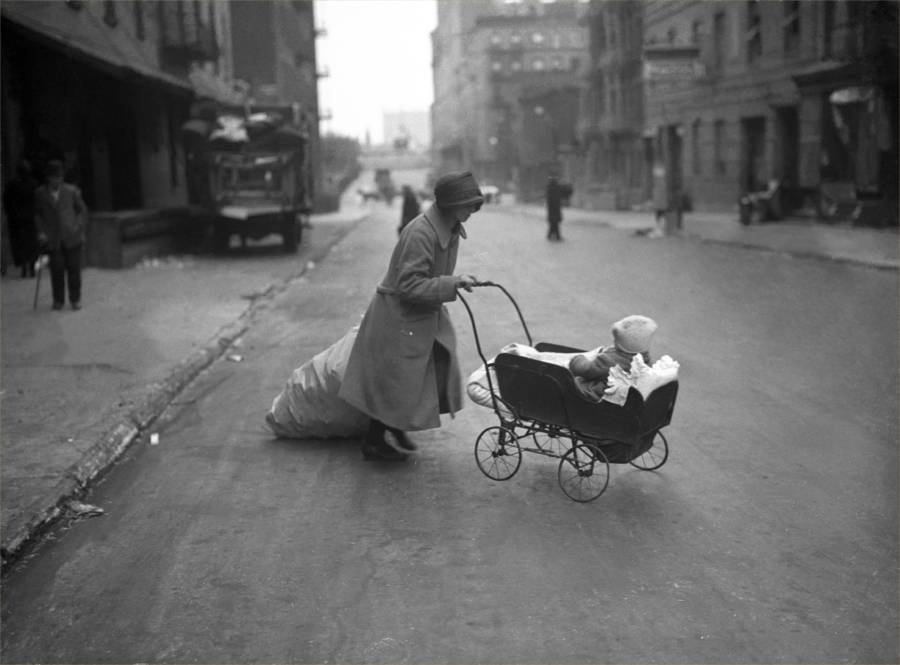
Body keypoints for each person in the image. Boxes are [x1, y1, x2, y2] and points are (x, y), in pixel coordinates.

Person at [339, 171, 484, 461]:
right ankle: (374, 442)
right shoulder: (421, 232)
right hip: (399, 317)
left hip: (419, 315)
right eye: (467, 205)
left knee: (416, 377)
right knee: (396, 381)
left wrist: (452, 281)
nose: (472, 211)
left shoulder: (449, 226)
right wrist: (452, 283)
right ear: (450, 204)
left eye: (474, 205)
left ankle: (396, 425)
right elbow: (408, 285)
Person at [34, 160, 88, 310]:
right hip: (53, 239)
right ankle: (58, 300)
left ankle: (75, 299)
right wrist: (40, 232)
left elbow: (82, 211)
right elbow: (37, 215)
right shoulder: (40, 193)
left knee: (74, 270)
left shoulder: (72, 191)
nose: (57, 180)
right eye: (53, 177)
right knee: (57, 270)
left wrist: (79, 227)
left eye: (59, 176)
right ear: (48, 178)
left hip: (72, 236)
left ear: (62, 177)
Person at [568, 315, 658, 402]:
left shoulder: (608, 360)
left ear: (620, 345)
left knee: (570, 381)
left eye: (616, 340)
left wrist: (577, 359)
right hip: (626, 397)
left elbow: (585, 370)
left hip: (600, 395)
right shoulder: (645, 360)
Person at [2, 159, 39, 278]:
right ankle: (32, 267)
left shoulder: (11, 184)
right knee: (31, 244)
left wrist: (10, 214)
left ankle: (24, 267)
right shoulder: (33, 184)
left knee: (20, 244)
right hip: (29, 218)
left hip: (16, 220)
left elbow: (6, 201)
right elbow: (36, 201)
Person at [546, 175, 563, 241]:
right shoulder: (555, 188)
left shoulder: (550, 188)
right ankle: (555, 236)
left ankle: (552, 235)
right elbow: (555, 199)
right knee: (554, 224)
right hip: (555, 210)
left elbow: (550, 200)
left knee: (553, 224)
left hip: (552, 210)